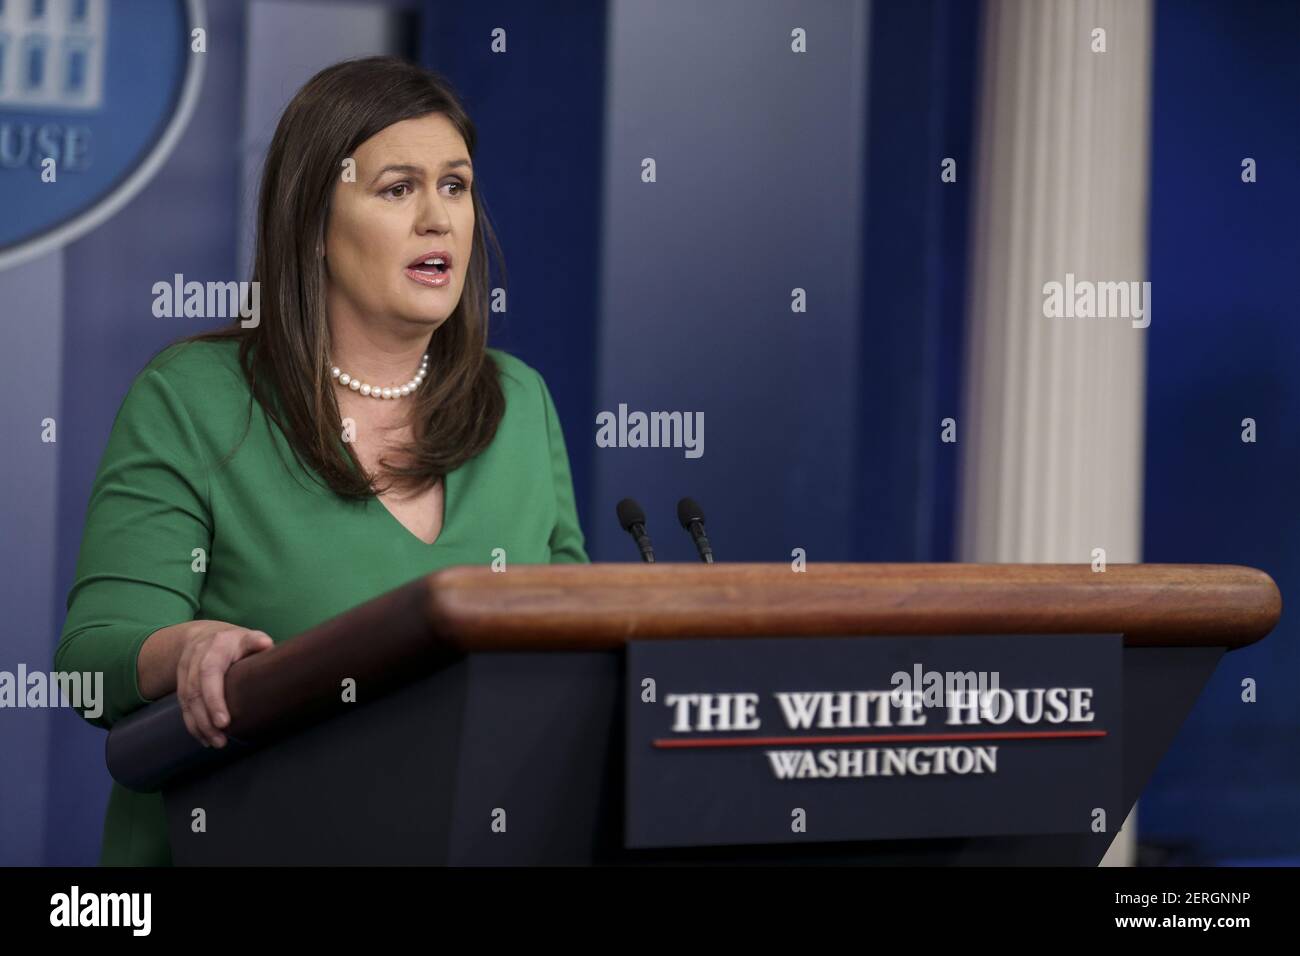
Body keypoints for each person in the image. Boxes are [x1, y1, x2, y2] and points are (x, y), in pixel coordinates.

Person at [54, 56, 589, 866]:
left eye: (455, 185)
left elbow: (576, 642)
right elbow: (91, 658)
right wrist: (187, 651)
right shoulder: (195, 398)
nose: (439, 219)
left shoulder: (517, 402)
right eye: (397, 188)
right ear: (312, 225)